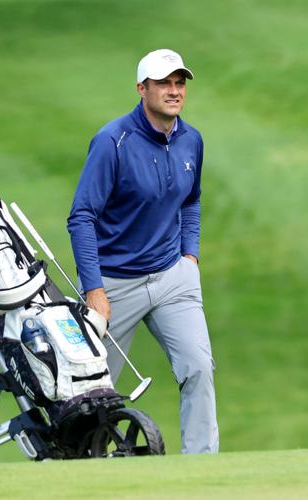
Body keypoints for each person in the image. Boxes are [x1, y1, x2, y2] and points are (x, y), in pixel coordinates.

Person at [67, 48, 218, 454]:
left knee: (198, 367)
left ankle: (204, 468)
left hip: (172, 277)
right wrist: (94, 291)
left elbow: (191, 200)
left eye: (179, 83)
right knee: (90, 394)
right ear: (141, 89)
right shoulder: (112, 141)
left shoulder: (191, 140)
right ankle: (78, 467)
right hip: (115, 284)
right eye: (163, 83)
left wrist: (190, 256)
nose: (174, 91)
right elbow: (81, 217)